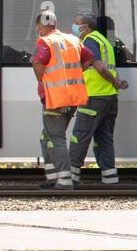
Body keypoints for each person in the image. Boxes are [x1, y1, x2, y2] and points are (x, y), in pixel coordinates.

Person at [30, 11, 93, 189]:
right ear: (55, 24)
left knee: (56, 138)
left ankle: (65, 180)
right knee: (46, 137)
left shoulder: (45, 41)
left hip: (54, 98)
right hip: (72, 98)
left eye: (38, 28)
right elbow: (89, 58)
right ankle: (52, 177)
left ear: (40, 27)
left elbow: (37, 62)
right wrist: (76, 73)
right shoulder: (72, 40)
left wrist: (41, 79)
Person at [68, 12, 129, 186]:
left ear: (85, 26)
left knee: (80, 135)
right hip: (110, 98)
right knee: (104, 138)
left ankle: (71, 176)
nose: (74, 26)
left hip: (94, 96)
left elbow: (101, 68)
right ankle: (110, 177)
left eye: (76, 23)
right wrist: (116, 83)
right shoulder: (103, 41)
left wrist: (116, 82)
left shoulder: (89, 41)